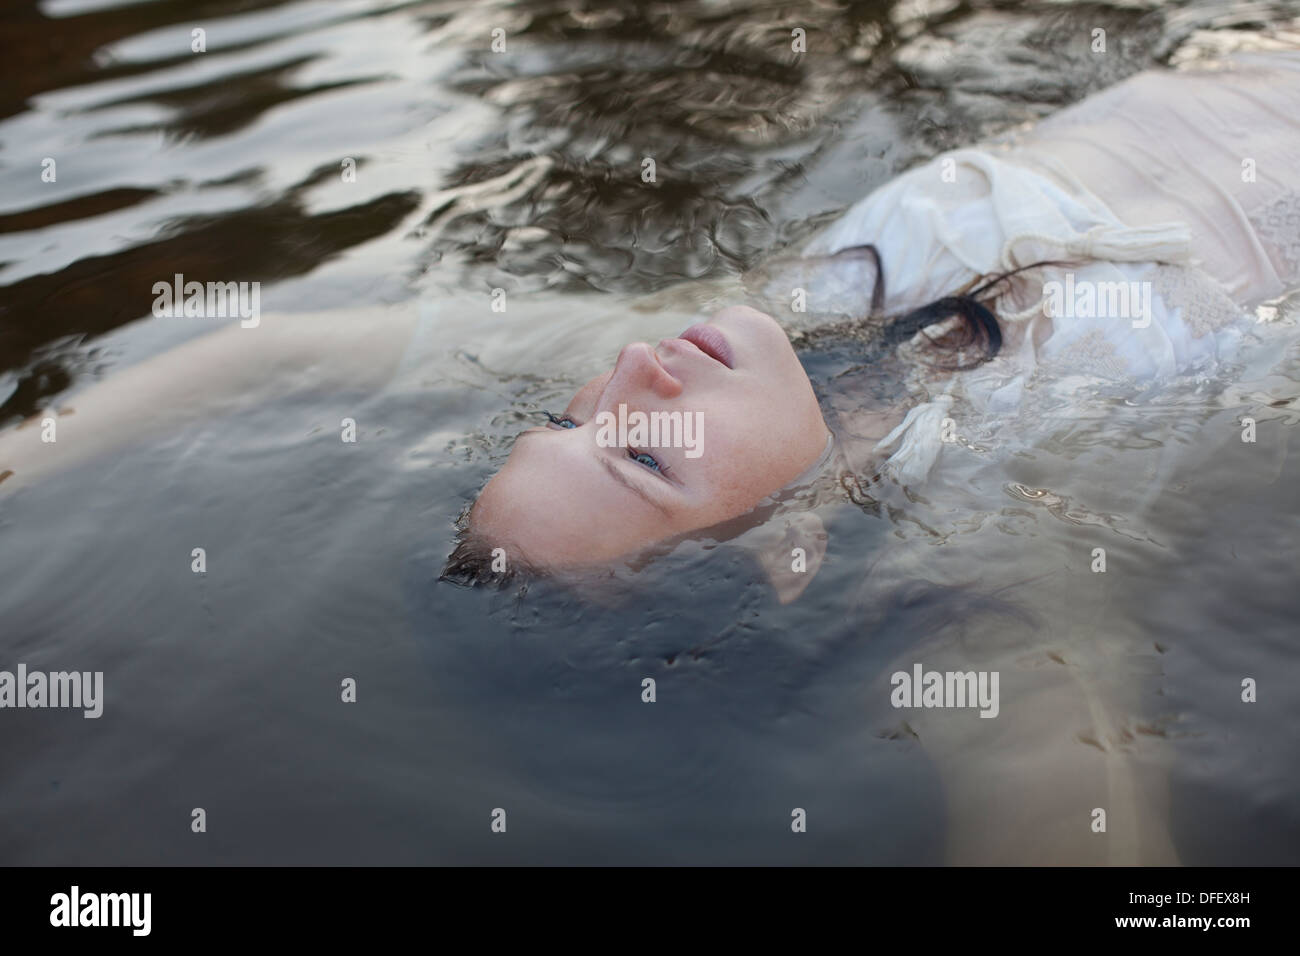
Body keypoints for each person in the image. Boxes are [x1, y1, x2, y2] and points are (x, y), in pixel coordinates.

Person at [443, 48, 1300, 590]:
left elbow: (419, 336)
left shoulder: (811, 301)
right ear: (789, 549)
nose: (632, 367)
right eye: (639, 453)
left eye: (570, 417)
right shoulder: (999, 491)